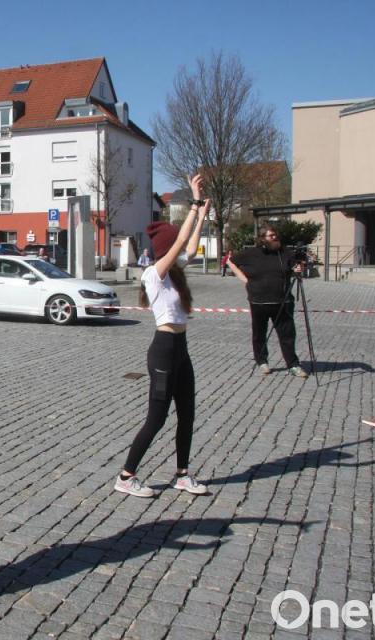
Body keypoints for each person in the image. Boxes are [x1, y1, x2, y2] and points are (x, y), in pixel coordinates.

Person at [115, 175, 210, 498]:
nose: (179, 251)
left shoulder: (174, 273)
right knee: (156, 418)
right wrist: (193, 203)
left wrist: (200, 214)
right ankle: (126, 476)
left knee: (187, 414)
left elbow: (191, 246)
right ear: (164, 250)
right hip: (163, 350)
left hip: (181, 349)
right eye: (173, 247)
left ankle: (182, 474)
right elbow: (182, 242)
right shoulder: (153, 275)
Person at [227, 225, 309, 378]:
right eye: (271, 235)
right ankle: (261, 361)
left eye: (275, 235)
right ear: (262, 238)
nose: (274, 237)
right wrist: (244, 279)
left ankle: (293, 364)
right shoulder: (251, 253)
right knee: (259, 334)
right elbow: (230, 261)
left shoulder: (285, 252)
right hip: (258, 302)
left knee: (287, 335)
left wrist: (299, 268)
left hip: (283, 302)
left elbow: (296, 267)